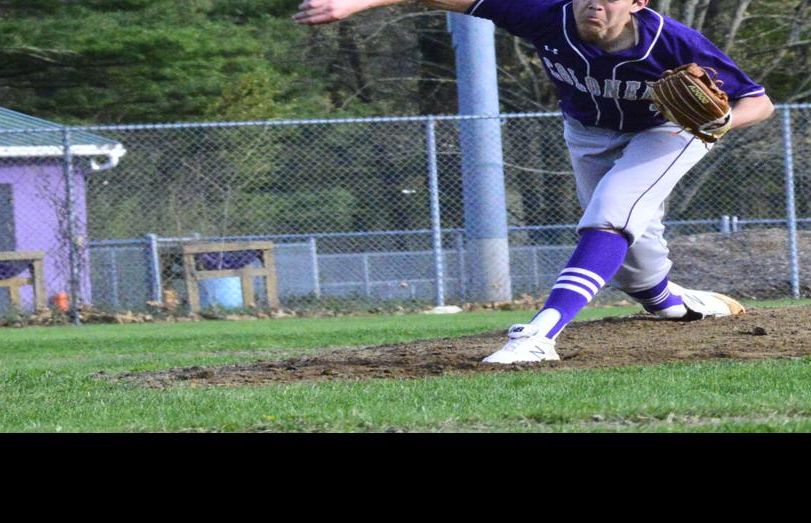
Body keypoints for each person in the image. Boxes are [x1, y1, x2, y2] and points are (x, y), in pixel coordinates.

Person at [295, 0, 775, 364]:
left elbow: (759, 103)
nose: (594, 2)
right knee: (635, 265)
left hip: (666, 133)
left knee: (610, 214)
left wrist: (718, 123)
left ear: (638, 2)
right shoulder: (547, 14)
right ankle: (674, 303)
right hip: (587, 131)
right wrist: (355, 3)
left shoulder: (675, 42)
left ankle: (539, 335)